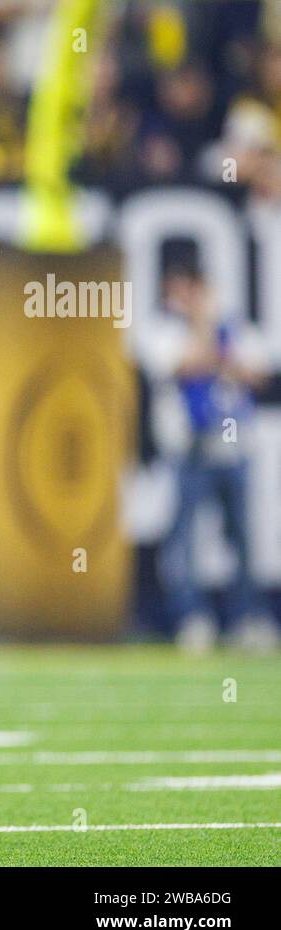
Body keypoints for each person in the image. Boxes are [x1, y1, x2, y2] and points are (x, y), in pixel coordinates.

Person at [158, 262, 277, 653]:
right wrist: (206, 331)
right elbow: (189, 364)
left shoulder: (238, 327)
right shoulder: (166, 330)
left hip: (234, 447)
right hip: (191, 449)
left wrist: (221, 350)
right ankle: (193, 618)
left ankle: (247, 618)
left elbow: (257, 374)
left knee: (243, 538)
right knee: (186, 539)